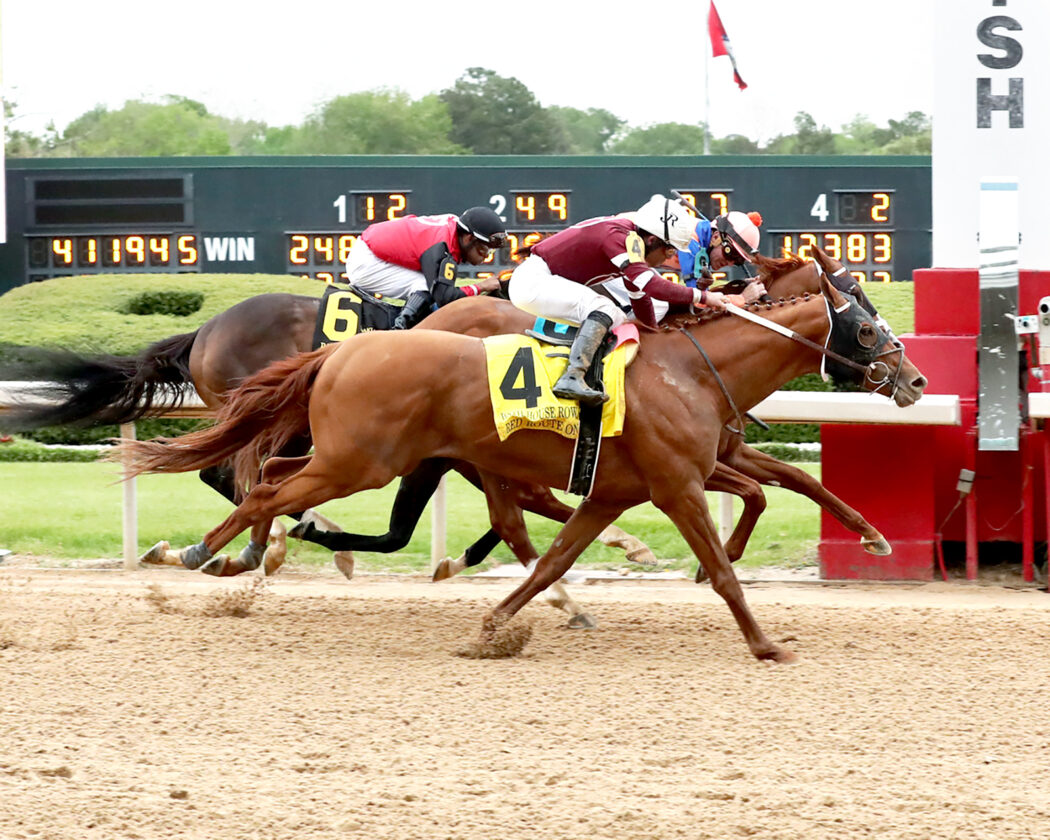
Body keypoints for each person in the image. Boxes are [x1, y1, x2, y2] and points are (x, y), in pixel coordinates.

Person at [508, 194, 758, 406]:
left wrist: (654, 336)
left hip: (546, 280)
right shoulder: (617, 238)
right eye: (670, 250)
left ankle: (591, 374)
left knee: (620, 318)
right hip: (534, 281)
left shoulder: (632, 243)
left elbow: (641, 298)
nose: (669, 259)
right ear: (652, 240)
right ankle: (572, 377)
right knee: (604, 308)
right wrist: (706, 296)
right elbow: (652, 285)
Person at [344, 206, 509, 330]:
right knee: (425, 287)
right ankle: (400, 329)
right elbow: (445, 298)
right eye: (484, 249)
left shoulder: (455, 231)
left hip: (373, 249)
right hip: (367, 261)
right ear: (468, 238)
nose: (486, 256)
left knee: (430, 289)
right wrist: (481, 286)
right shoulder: (442, 246)